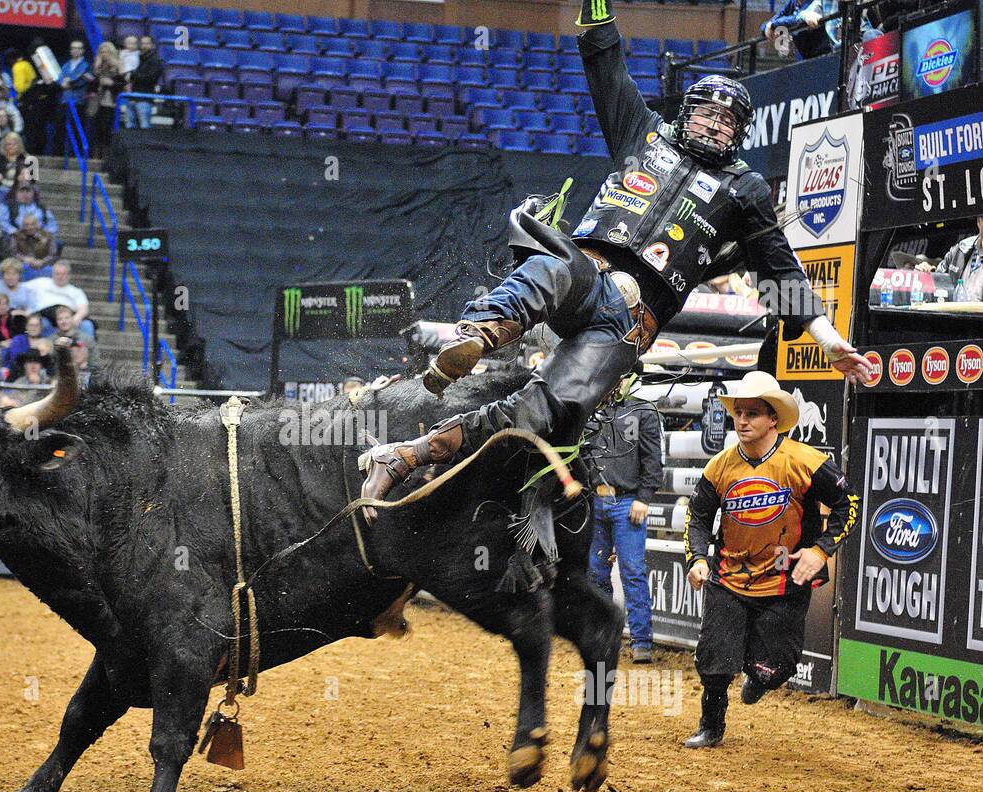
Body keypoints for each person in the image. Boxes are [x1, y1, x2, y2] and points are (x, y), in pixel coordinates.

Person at [359, 0, 873, 517]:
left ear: (740, 133)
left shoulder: (747, 190)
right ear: (685, 113)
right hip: (591, 271)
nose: (715, 126)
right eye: (706, 113)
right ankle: (479, 334)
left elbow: (781, 270)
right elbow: (607, 64)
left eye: (728, 121)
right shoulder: (642, 132)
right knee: (552, 267)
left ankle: (406, 456)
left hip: (630, 324)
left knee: (546, 412)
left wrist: (830, 342)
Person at [682, 372, 860, 747]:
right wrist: (698, 557)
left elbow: (850, 501)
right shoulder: (719, 466)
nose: (743, 422)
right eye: (738, 414)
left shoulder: (804, 461)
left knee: (777, 665)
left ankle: (760, 678)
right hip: (729, 575)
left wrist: (820, 549)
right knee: (714, 661)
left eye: (752, 414)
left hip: (785, 578)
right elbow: (698, 516)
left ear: (773, 419)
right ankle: (711, 726)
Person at [586, 383, 663, 662]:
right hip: (595, 500)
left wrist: (644, 496)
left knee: (632, 571)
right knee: (596, 572)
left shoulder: (642, 409)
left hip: (627, 501)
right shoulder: (593, 406)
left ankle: (641, 641)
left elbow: (653, 457)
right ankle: (605, 637)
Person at [915, 216, 983, 302]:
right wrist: (929, 274)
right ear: (979, 221)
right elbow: (940, 281)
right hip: (954, 314)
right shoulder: (961, 249)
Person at [26, 259, 88, 327]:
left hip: (69, 317)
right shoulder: (41, 283)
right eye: (57, 274)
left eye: (63, 274)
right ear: (52, 274)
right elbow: (19, 287)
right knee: (43, 323)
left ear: (69, 275)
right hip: (44, 316)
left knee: (87, 325)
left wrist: (76, 318)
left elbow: (83, 309)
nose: (60, 277)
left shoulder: (76, 291)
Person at [125, 36, 162, 129]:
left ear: (152, 45)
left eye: (147, 43)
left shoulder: (155, 60)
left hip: (145, 99)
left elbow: (150, 78)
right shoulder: (140, 58)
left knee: (144, 127)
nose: (144, 46)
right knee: (130, 127)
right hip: (133, 97)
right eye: (142, 43)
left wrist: (133, 75)